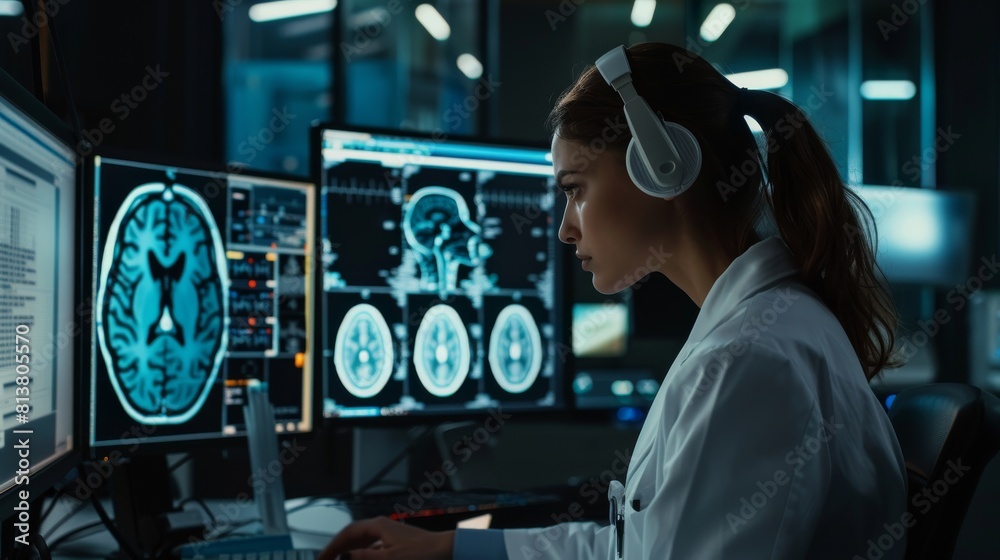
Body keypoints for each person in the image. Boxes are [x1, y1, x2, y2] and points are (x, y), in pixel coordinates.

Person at [319, 42, 909, 560]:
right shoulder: (762, 330)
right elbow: (639, 547)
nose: (565, 229)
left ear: (662, 167)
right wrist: (453, 547)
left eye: (575, 190)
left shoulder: (748, 361)